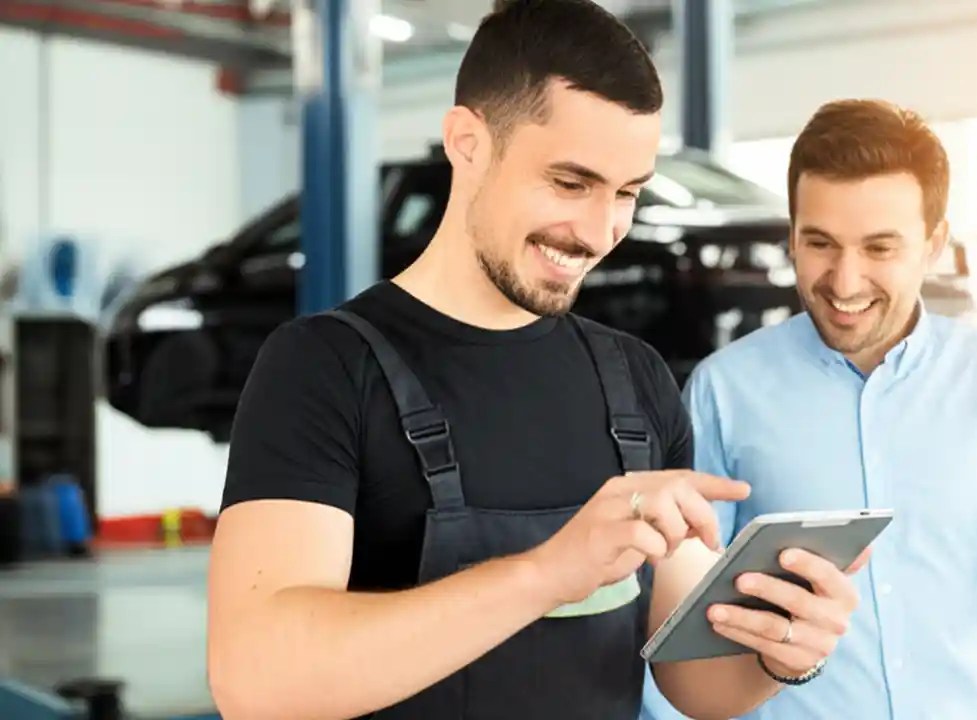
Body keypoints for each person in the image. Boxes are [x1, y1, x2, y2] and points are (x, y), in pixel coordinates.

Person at [205, 2, 865, 719]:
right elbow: (257, 683)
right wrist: (547, 573)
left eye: (627, 193)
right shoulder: (322, 368)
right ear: (467, 143)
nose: (599, 232)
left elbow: (694, 681)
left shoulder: (636, 381)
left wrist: (781, 650)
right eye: (571, 183)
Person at [642, 99, 977, 719]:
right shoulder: (724, 391)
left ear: (934, 245)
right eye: (820, 243)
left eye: (879, 248)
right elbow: (686, 616)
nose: (845, 282)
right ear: (792, 236)